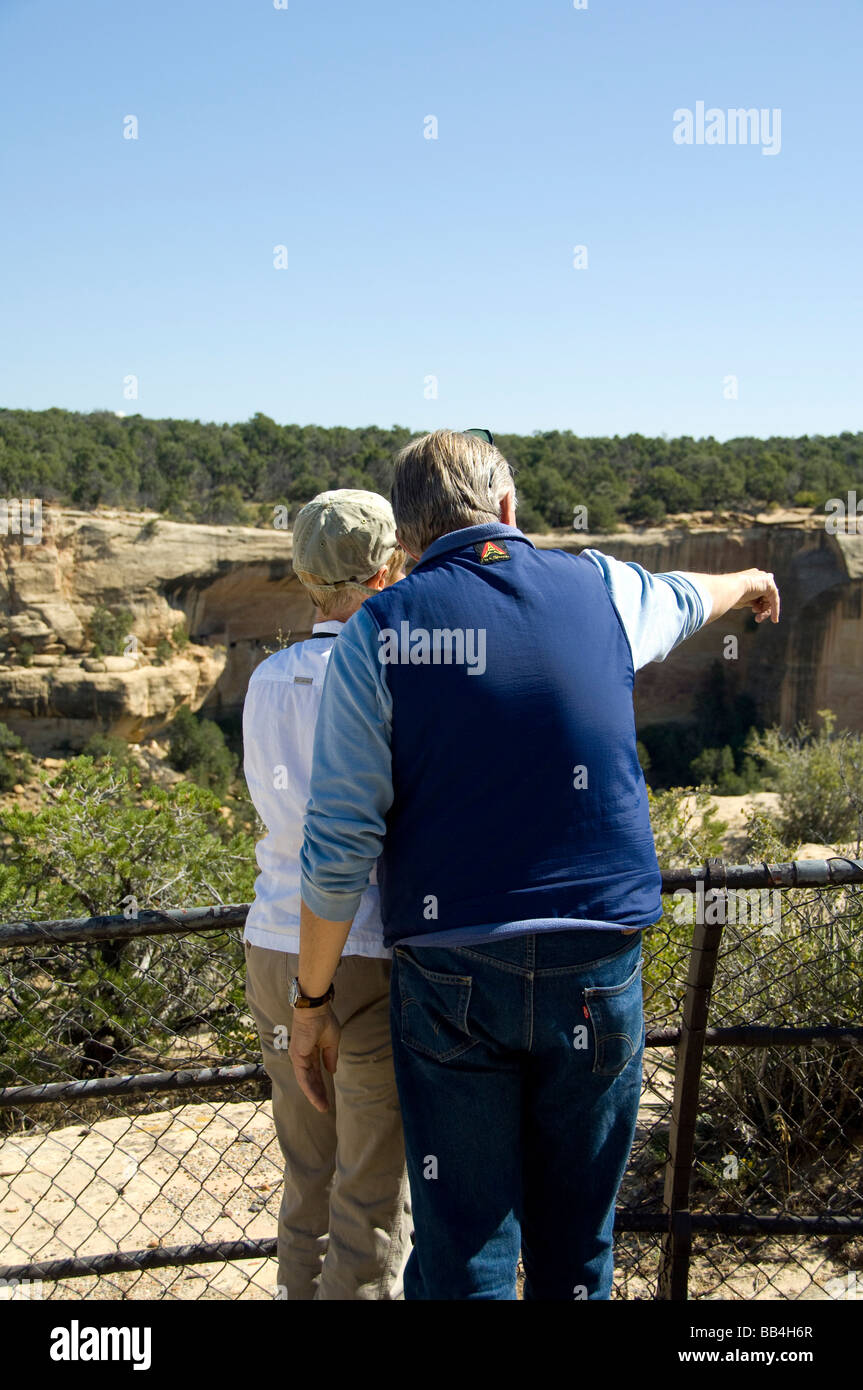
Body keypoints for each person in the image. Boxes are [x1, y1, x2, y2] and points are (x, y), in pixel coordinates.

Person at [289, 429, 781, 1301]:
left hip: (450, 970)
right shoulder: (598, 587)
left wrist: (313, 1000)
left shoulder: (378, 631)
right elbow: (682, 597)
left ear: (403, 540)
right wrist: (747, 583)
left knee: (465, 1248)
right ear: (509, 507)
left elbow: (339, 844)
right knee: (577, 1245)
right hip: (595, 958)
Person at [242, 488, 411, 1300]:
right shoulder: (391, 669)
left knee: (306, 1166)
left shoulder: (267, 679)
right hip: (364, 949)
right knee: (369, 1188)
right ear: (388, 569)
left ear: (306, 577)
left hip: (273, 945)